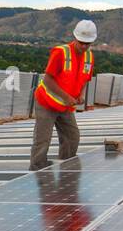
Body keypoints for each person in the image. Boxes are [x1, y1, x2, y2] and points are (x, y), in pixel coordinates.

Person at [28, 20, 97, 171]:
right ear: (75, 38)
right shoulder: (61, 52)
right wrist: (66, 97)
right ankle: (37, 172)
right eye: (81, 42)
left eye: (88, 43)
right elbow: (47, 80)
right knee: (42, 140)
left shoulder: (89, 57)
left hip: (66, 106)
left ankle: (65, 168)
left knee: (72, 137)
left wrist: (81, 95)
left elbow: (85, 79)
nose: (84, 46)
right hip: (47, 102)